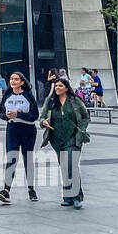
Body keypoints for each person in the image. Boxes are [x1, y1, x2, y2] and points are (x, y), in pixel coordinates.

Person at [40, 76, 90, 208]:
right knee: (64, 167)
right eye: (56, 86)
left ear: (67, 88)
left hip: (73, 138)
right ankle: (67, 196)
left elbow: (85, 116)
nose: (57, 88)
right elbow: (42, 116)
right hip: (56, 140)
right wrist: (44, 122)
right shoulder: (50, 101)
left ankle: (77, 196)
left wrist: (82, 130)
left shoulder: (75, 101)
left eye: (60, 86)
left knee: (71, 166)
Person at [0, 71, 40, 204]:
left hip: (27, 130)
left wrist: (19, 114)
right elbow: (1, 113)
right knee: (11, 159)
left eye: (16, 79)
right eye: (11, 79)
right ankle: (6, 190)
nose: (13, 81)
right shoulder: (7, 94)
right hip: (12, 129)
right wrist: (7, 116)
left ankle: (31, 189)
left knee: (28, 159)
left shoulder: (28, 95)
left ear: (22, 82)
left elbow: (35, 115)